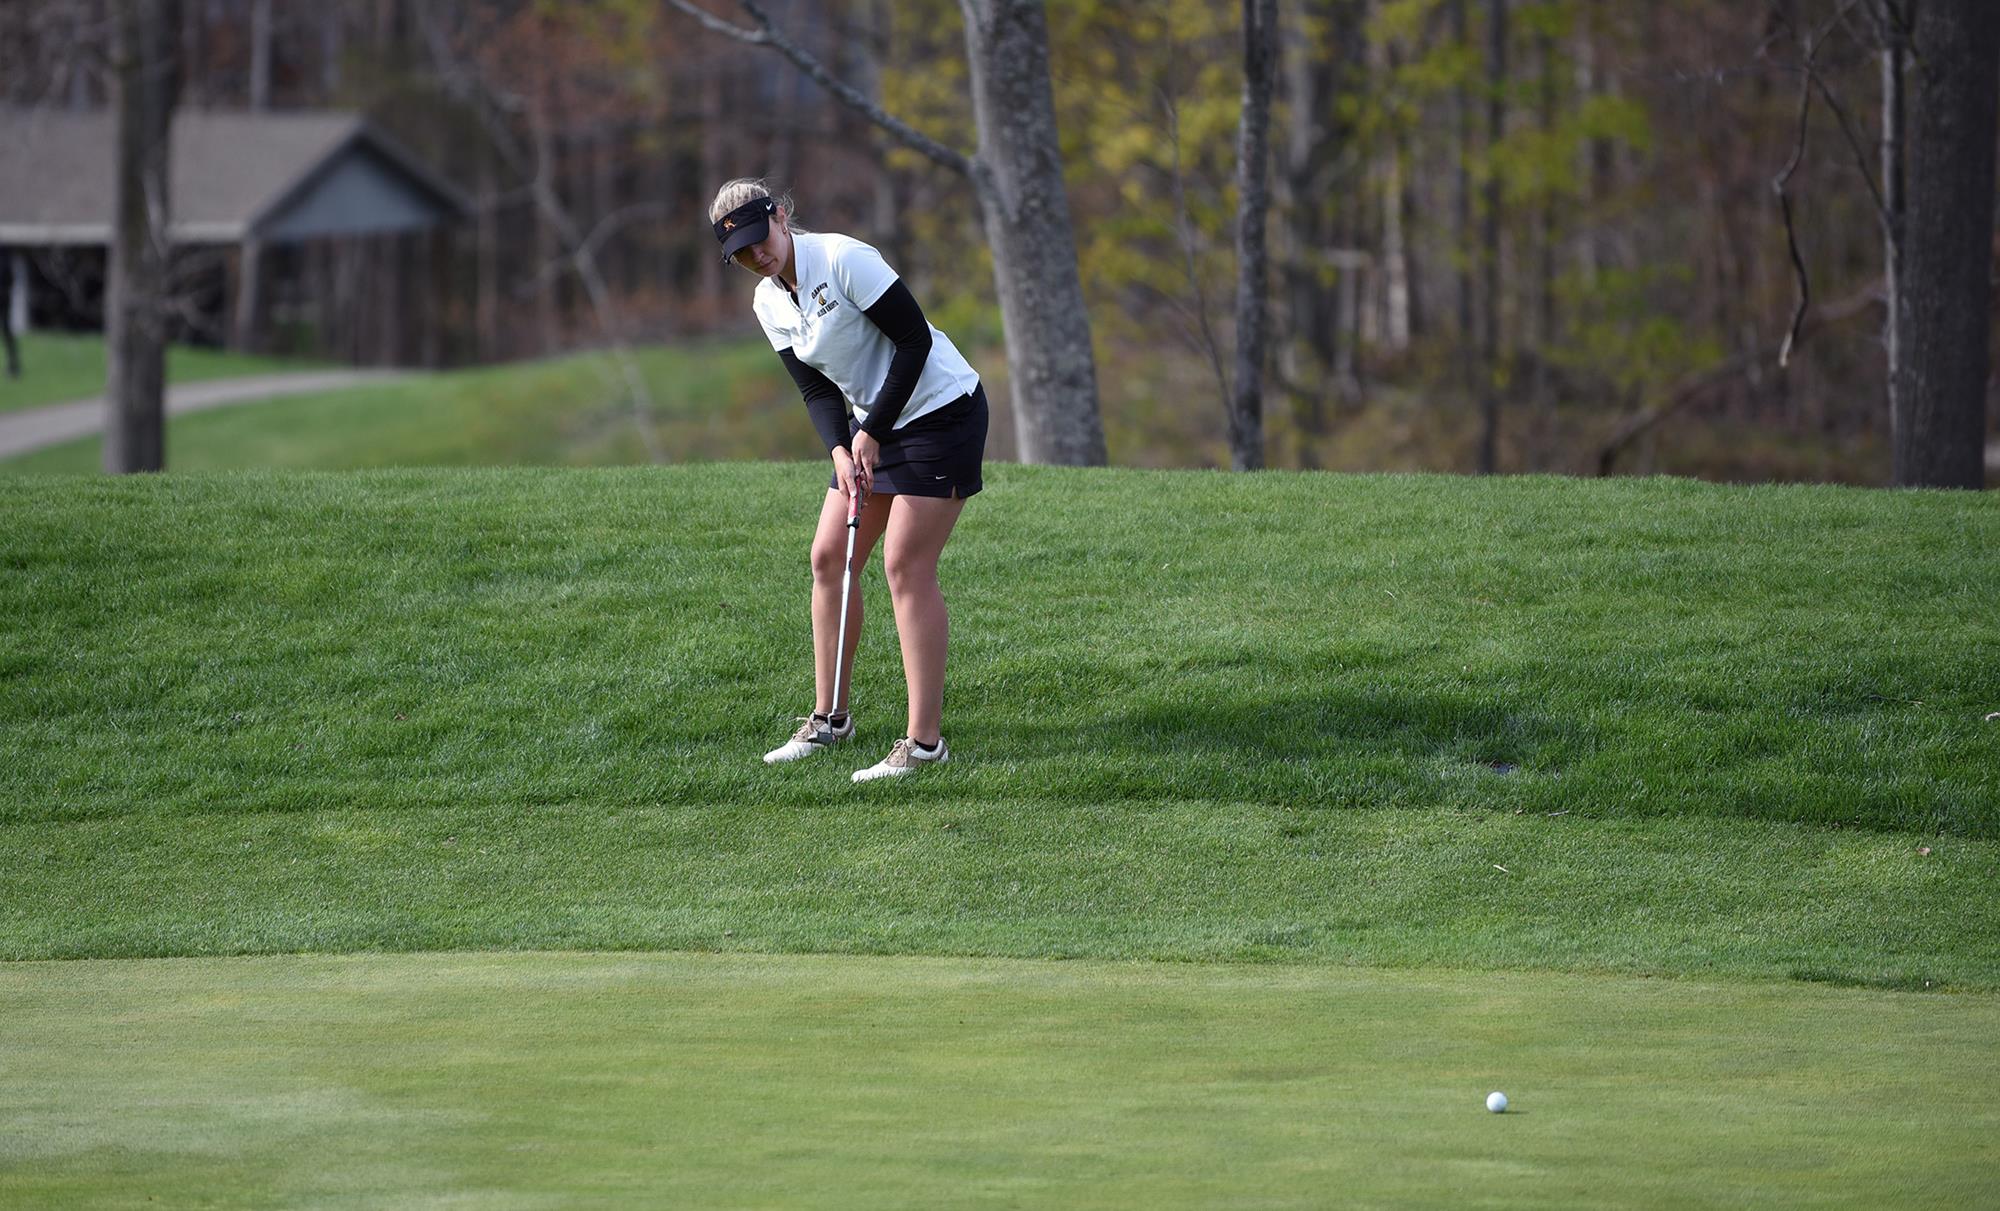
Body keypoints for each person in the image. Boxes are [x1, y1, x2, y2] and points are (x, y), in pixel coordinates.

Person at [710, 178, 987, 782]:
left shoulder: (843, 259)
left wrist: (873, 430)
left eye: (762, 239)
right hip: (873, 426)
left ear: (781, 216)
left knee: (904, 566)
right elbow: (815, 388)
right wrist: (839, 446)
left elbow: (913, 342)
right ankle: (831, 719)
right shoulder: (768, 302)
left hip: (941, 411)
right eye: (743, 254)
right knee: (830, 556)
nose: (759, 256)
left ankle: (924, 744)